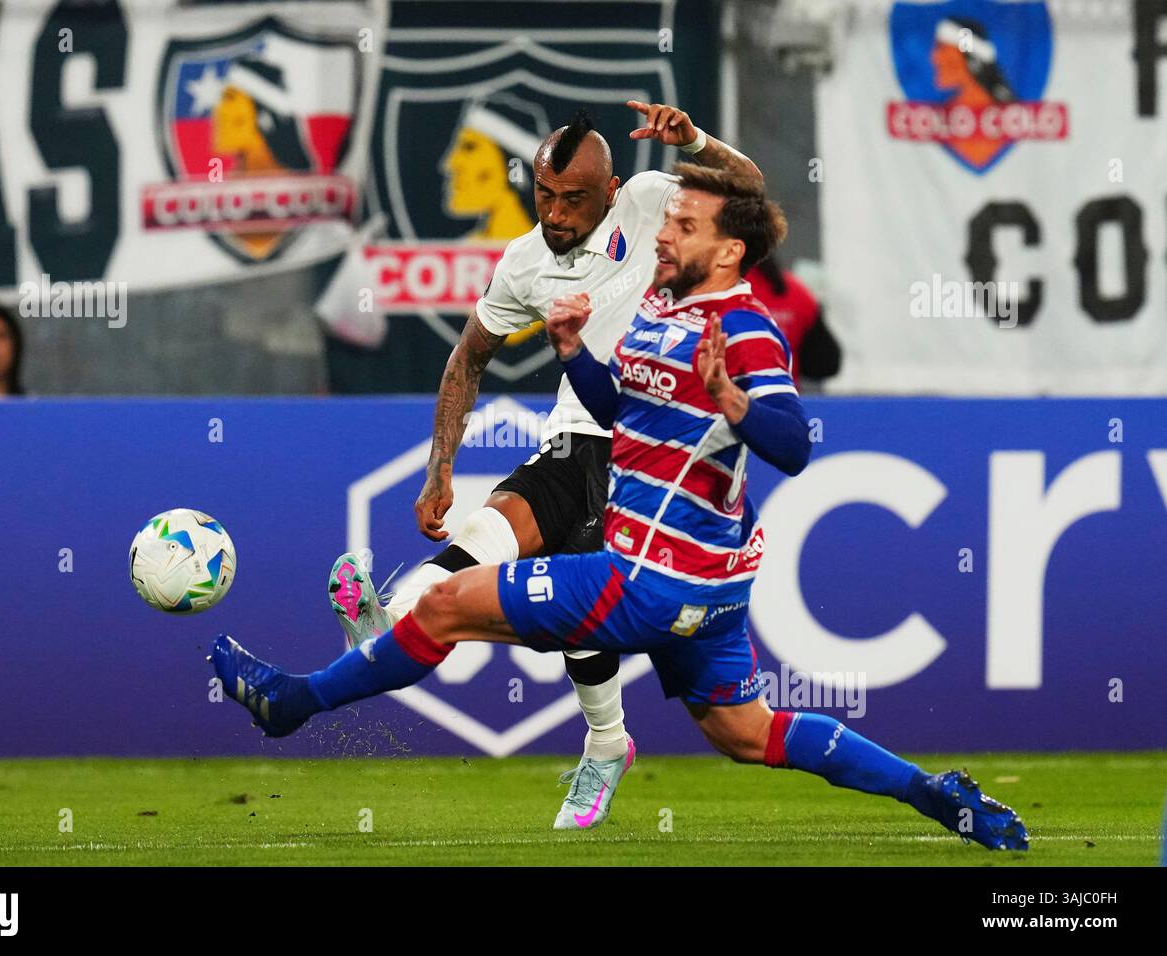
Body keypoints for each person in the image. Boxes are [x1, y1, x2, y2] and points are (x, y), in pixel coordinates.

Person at [214, 164, 1029, 851]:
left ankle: (293, 704)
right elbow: (616, 414)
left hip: (649, 578)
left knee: (447, 604)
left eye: (683, 223)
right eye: (666, 218)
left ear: (728, 249)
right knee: (749, 734)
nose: (664, 233)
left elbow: (794, 443)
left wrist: (735, 404)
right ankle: (932, 793)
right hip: (704, 594)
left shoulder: (745, 330)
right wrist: (574, 353)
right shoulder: (659, 310)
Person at [326, 100, 763, 829]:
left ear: (613, 189)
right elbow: (468, 358)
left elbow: (748, 195)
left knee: (579, 614)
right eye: (546, 198)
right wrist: (440, 467)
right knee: (496, 527)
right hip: (572, 432)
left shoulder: (655, 203)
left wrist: (696, 141)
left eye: (575, 200)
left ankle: (606, 742)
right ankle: (390, 623)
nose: (557, 215)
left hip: (649, 449)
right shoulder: (524, 261)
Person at [745, 255, 840, 385]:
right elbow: (826, 364)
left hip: (729, 400)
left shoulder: (720, 290)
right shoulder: (797, 292)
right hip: (784, 398)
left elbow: (826, 363)